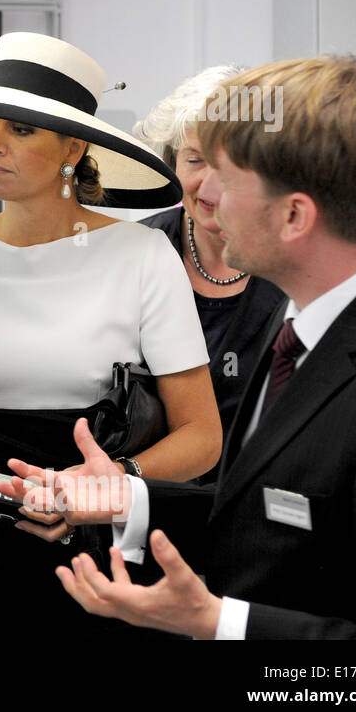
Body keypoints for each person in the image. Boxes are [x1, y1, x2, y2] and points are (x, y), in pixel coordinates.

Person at [3, 55, 356, 639]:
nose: (205, 198)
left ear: (294, 215)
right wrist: (124, 496)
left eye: (228, 178)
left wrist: (220, 623)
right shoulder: (308, 331)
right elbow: (266, 512)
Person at [0, 32, 221, 638]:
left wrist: (103, 488)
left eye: (20, 131)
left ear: (73, 146)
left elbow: (202, 437)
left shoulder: (141, 255)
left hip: (107, 559)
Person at [136, 68, 286, 476]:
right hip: (141, 505)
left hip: (258, 510)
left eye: (232, 163)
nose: (210, 187)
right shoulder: (131, 253)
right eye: (195, 160)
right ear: (172, 164)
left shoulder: (298, 265)